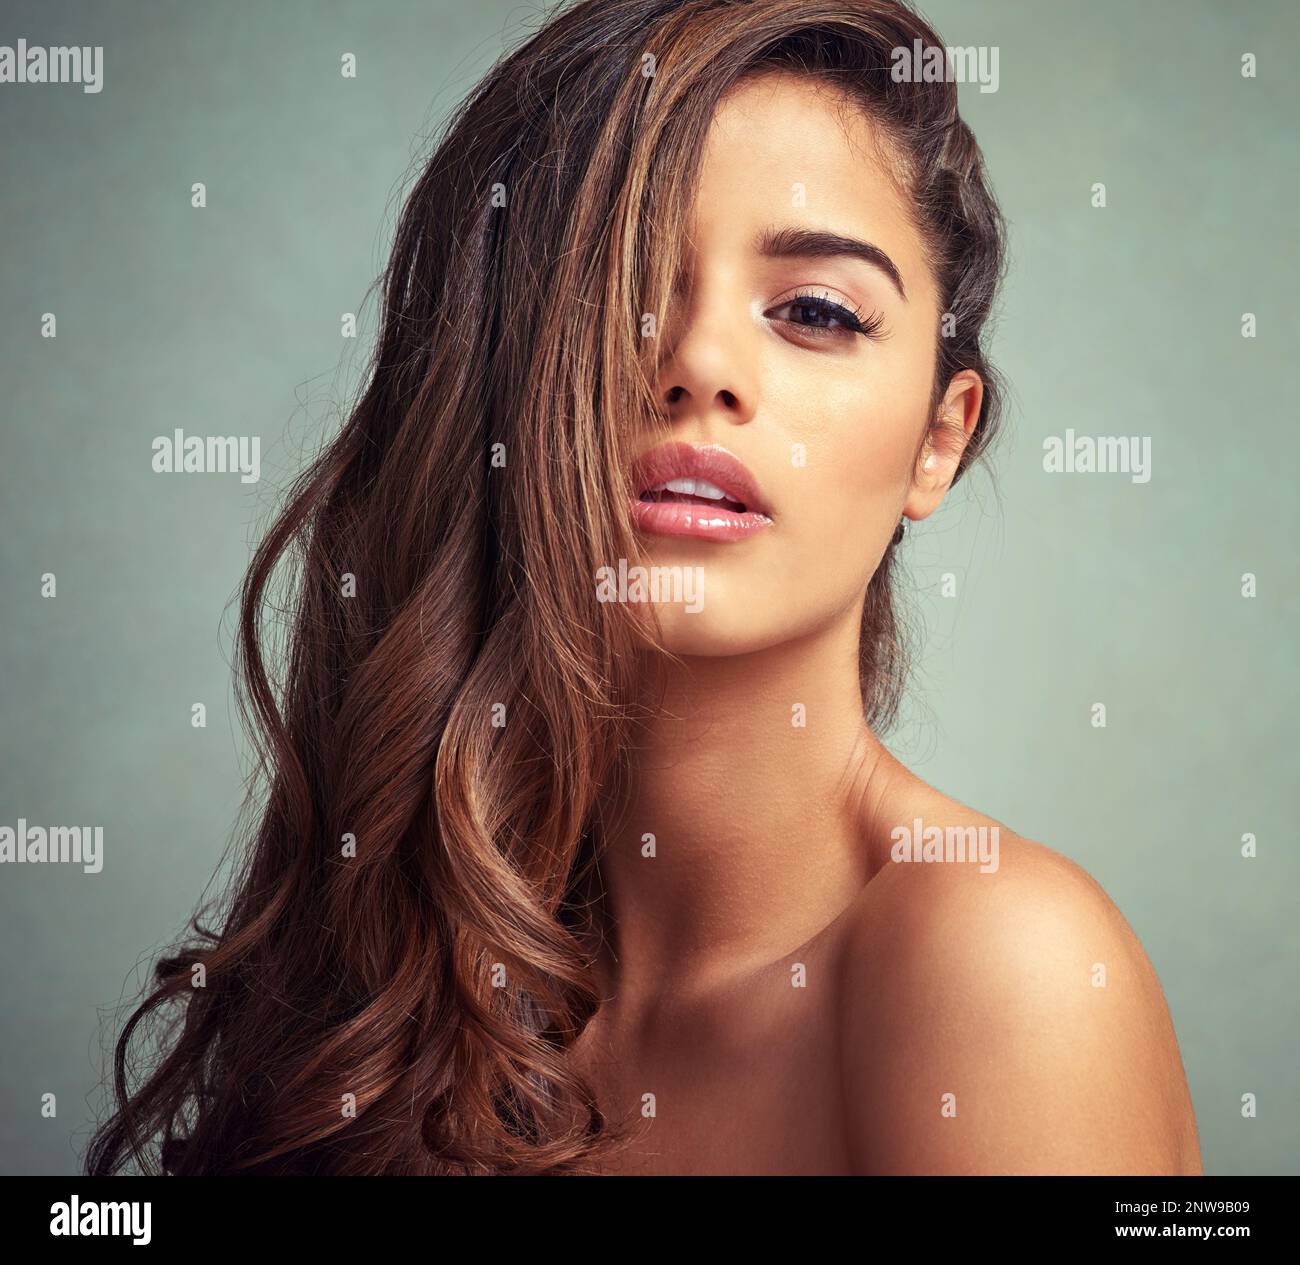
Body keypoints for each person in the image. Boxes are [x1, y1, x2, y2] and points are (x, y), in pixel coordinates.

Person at [86, 0, 1201, 1176]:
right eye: (616, 284)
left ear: (939, 438)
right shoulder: (411, 976)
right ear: (500, 368)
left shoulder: (997, 964)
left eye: (815, 311)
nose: (699, 365)